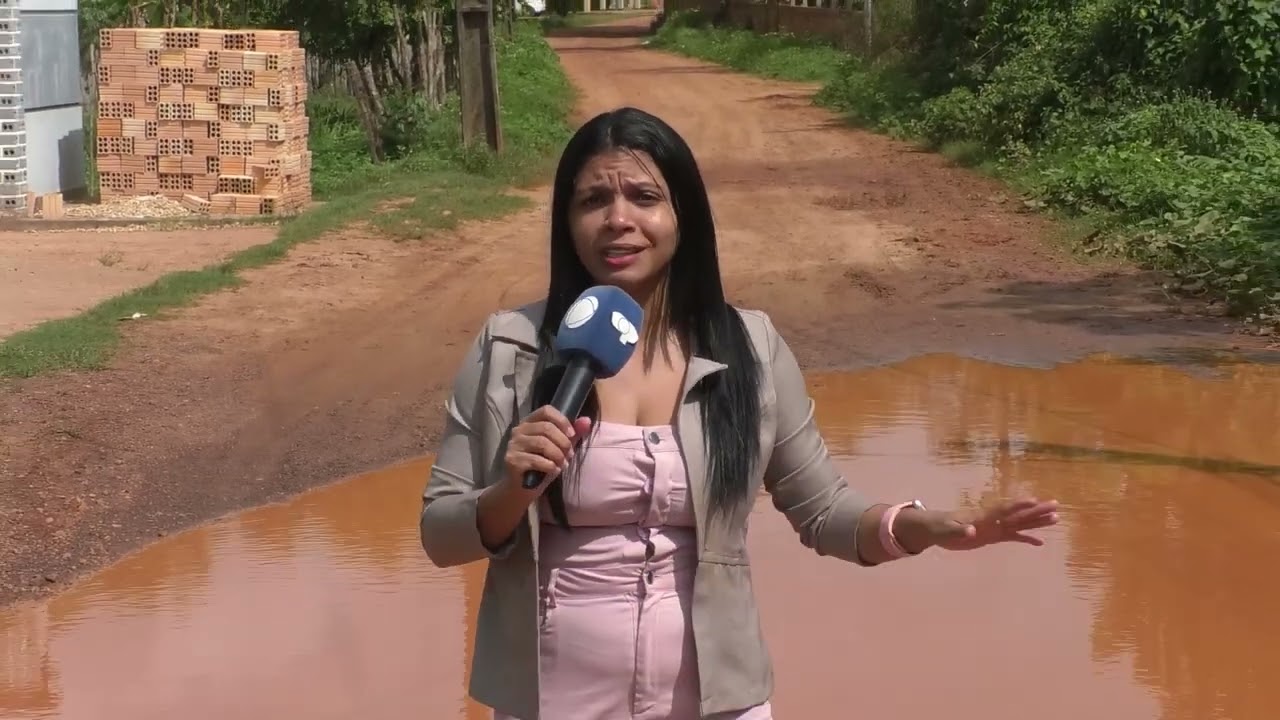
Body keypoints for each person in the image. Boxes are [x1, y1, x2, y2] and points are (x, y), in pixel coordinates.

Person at [418, 106, 1061, 720]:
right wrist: (510, 491)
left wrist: (925, 526)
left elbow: (824, 511)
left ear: (684, 216)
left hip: (715, 701)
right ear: (567, 222)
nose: (618, 219)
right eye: (594, 201)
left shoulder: (749, 348)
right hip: (551, 698)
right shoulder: (512, 349)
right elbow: (440, 534)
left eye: (644, 197)